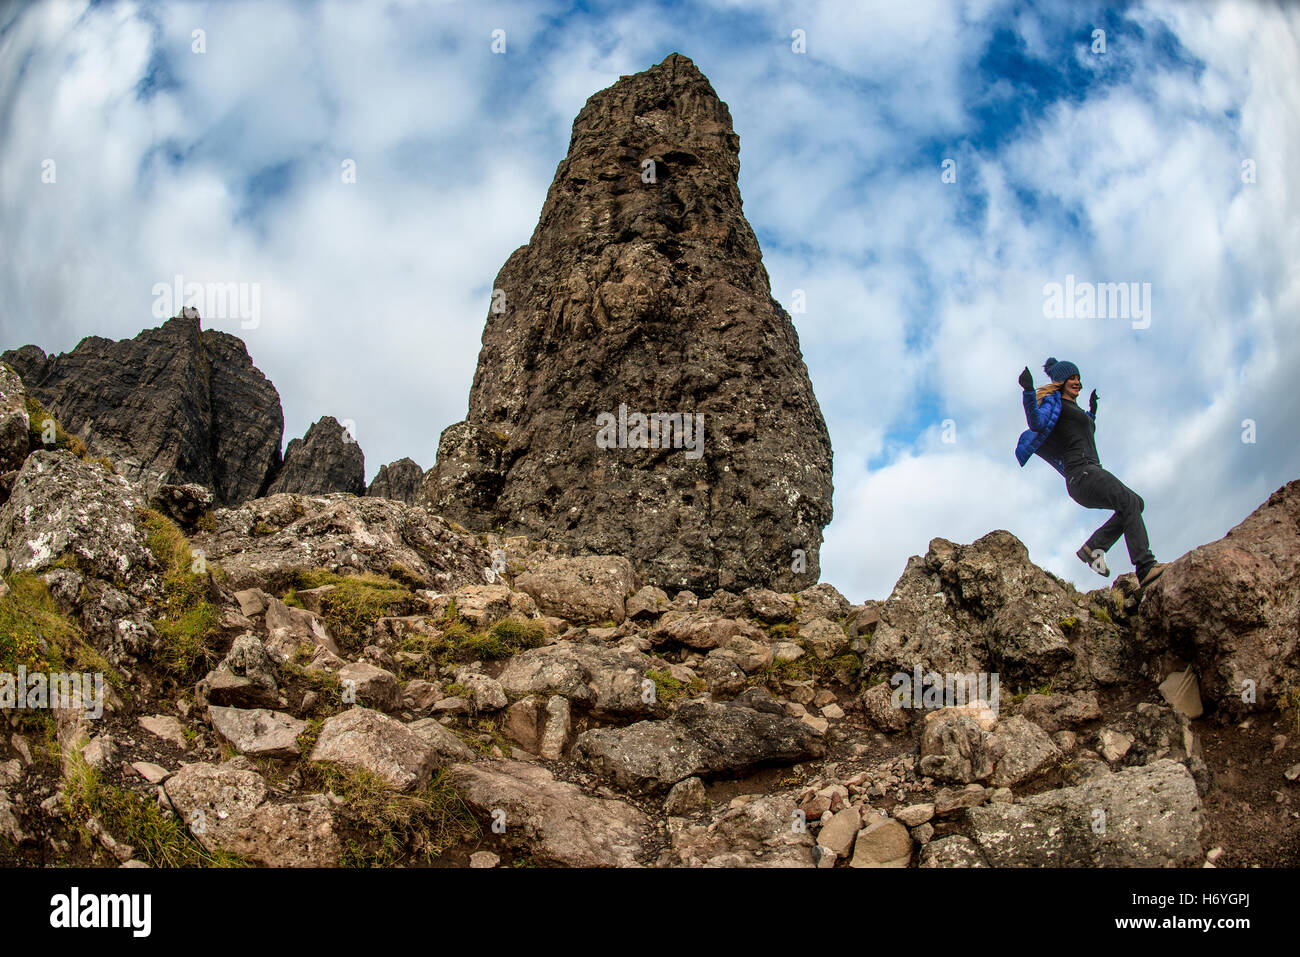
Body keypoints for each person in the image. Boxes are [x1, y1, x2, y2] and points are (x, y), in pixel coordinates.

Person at [1015, 357, 1169, 588]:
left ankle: (1093, 549)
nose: (1077, 382)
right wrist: (1028, 391)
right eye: (1072, 378)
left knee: (1135, 503)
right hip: (1081, 473)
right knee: (1128, 501)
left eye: (1078, 378)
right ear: (1061, 381)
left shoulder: (1074, 410)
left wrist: (1092, 415)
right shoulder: (1054, 404)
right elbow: (1036, 423)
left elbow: (1081, 433)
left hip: (1090, 473)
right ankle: (1145, 567)